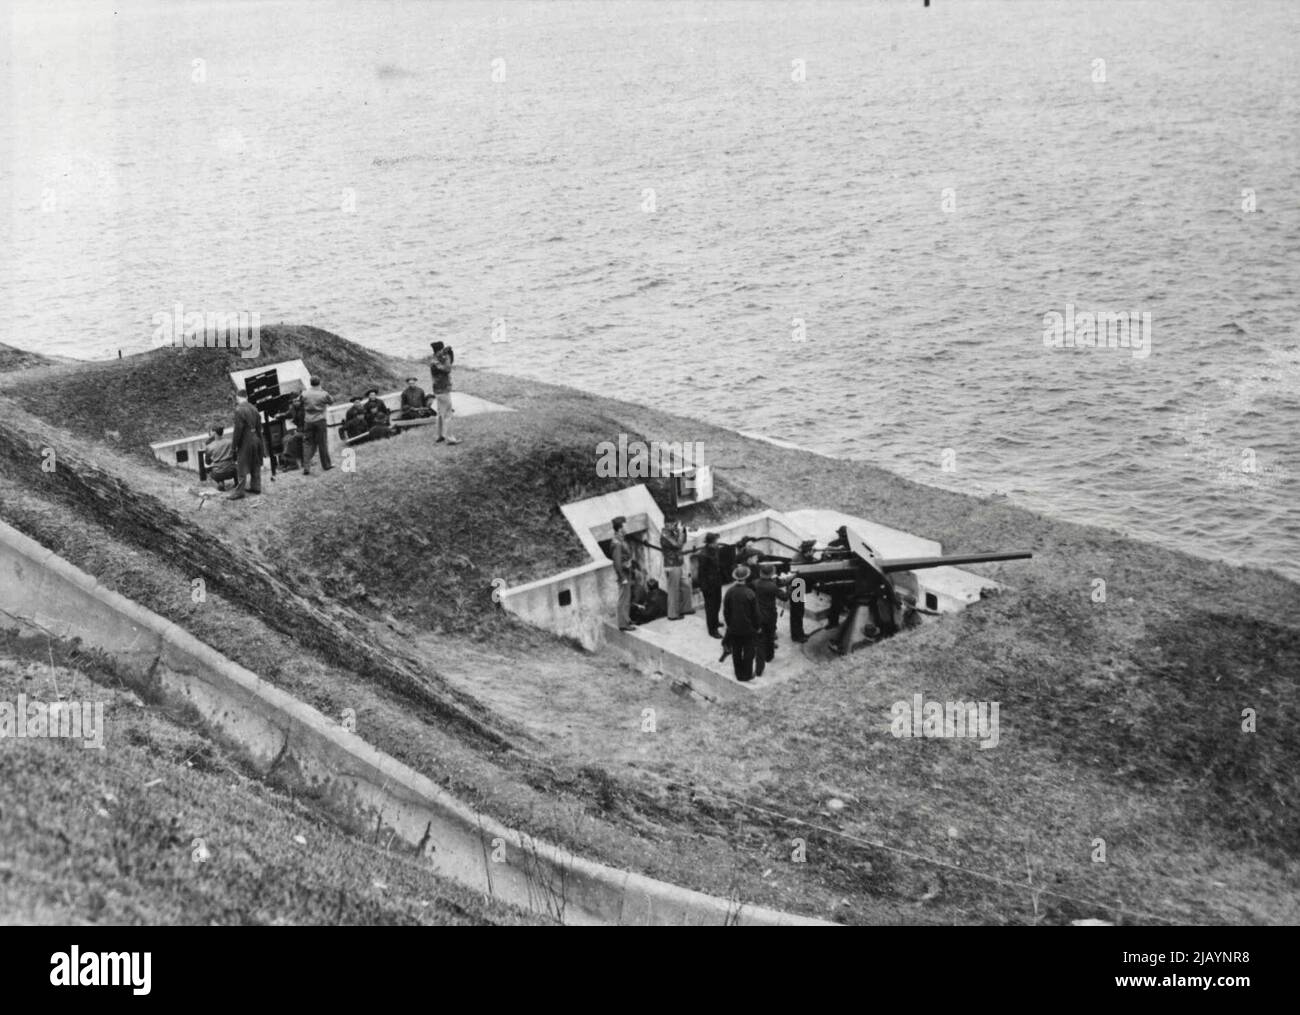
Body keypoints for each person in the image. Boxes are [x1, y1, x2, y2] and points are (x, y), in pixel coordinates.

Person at [722, 565, 761, 681]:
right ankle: (747, 674)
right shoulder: (750, 593)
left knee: (736, 651)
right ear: (746, 577)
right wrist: (757, 626)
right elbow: (756, 614)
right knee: (749, 652)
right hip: (748, 629)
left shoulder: (729, 592)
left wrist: (730, 625)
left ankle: (739, 674)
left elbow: (726, 612)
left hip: (734, 628)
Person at [752, 562, 787, 675]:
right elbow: (784, 597)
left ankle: (760, 660)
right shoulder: (772, 586)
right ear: (771, 574)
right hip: (770, 615)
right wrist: (792, 588)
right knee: (770, 635)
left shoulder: (755, 583)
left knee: (760, 637)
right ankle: (769, 656)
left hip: (757, 614)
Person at [227, 389, 263, 500]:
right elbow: (259, 428)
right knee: (255, 463)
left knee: (242, 465)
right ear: (246, 397)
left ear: (238, 398)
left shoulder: (239, 410)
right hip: (256, 438)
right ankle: (256, 486)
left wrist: (233, 447)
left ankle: (239, 492)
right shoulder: (254, 408)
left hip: (246, 440)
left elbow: (238, 430)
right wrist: (260, 443)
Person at [296, 376, 333, 475]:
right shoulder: (323, 394)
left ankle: (306, 467)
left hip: (308, 421)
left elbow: (298, 402)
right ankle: (326, 465)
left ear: (310, 383)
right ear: (319, 382)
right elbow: (331, 402)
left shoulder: (304, 394)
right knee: (322, 443)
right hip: (320, 420)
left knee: (307, 444)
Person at [659, 519, 694, 621]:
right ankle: (672, 614)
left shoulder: (672, 532)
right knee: (673, 590)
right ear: (667, 524)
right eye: (673, 523)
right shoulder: (665, 535)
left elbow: (683, 542)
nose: (675, 525)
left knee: (686, 586)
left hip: (679, 563)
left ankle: (685, 608)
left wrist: (683, 531)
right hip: (672, 565)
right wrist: (680, 532)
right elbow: (678, 545)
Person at [787, 538, 818, 642]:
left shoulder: (801, 556)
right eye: (812, 550)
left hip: (799, 586)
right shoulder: (798, 560)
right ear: (807, 551)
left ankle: (799, 633)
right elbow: (805, 571)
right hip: (797, 587)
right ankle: (797, 636)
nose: (813, 552)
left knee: (798, 612)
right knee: (797, 613)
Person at [695, 531, 724, 639]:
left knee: (717, 604)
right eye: (716, 541)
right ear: (710, 542)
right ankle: (712, 630)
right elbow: (701, 573)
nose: (717, 543)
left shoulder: (715, 550)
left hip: (716, 582)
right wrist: (704, 587)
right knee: (710, 607)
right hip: (708, 585)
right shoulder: (703, 555)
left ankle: (715, 622)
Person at [429, 341, 460, 444]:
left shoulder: (435, 358)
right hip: (443, 390)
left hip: (438, 390)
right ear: (440, 350)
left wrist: (449, 355)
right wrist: (448, 356)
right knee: (447, 414)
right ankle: (450, 438)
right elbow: (447, 369)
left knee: (440, 413)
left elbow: (447, 365)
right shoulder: (437, 361)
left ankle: (439, 436)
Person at [611, 516, 637, 631]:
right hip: (624, 574)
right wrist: (622, 577)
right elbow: (617, 563)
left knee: (627, 597)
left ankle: (626, 619)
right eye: (625, 525)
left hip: (627, 571)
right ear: (620, 528)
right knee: (623, 599)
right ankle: (623, 624)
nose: (627, 526)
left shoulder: (621, 540)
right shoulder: (617, 543)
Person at [203, 425, 235, 490]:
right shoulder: (230, 442)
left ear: (214, 433)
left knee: (210, 470)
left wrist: (214, 458)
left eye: (211, 432)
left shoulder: (210, 446)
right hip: (232, 472)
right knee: (234, 466)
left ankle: (220, 482)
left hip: (218, 473)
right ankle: (237, 483)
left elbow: (207, 462)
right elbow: (235, 456)